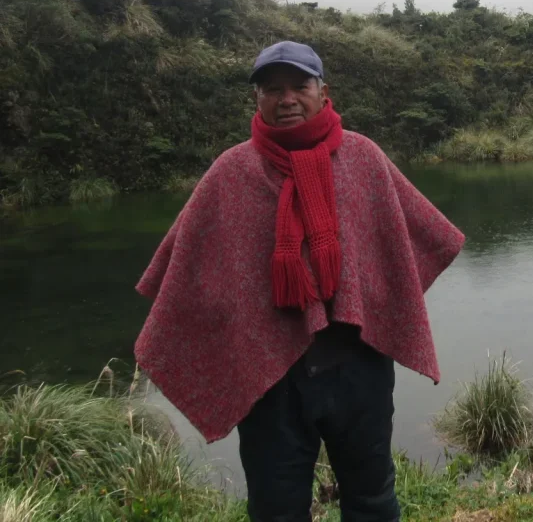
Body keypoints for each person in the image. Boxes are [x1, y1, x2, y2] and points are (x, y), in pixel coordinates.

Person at [134, 41, 465, 522]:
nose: (287, 98)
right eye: (273, 89)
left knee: (373, 500)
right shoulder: (232, 171)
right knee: (276, 509)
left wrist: (378, 298)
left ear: (322, 90)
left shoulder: (362, 158)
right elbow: (184, 274)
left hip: (359, 366)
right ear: (257, 99)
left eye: (299, 86)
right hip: (271, 380)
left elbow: (419, 238)